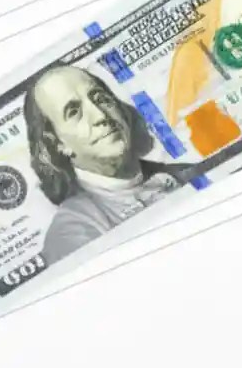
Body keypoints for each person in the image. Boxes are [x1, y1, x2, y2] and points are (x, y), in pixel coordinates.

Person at [23, 65, 195, 263]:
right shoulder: (72, 233)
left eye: (101, 98)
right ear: (57, 143)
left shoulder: (184, 172)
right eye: (73, 112)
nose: (100, 115)